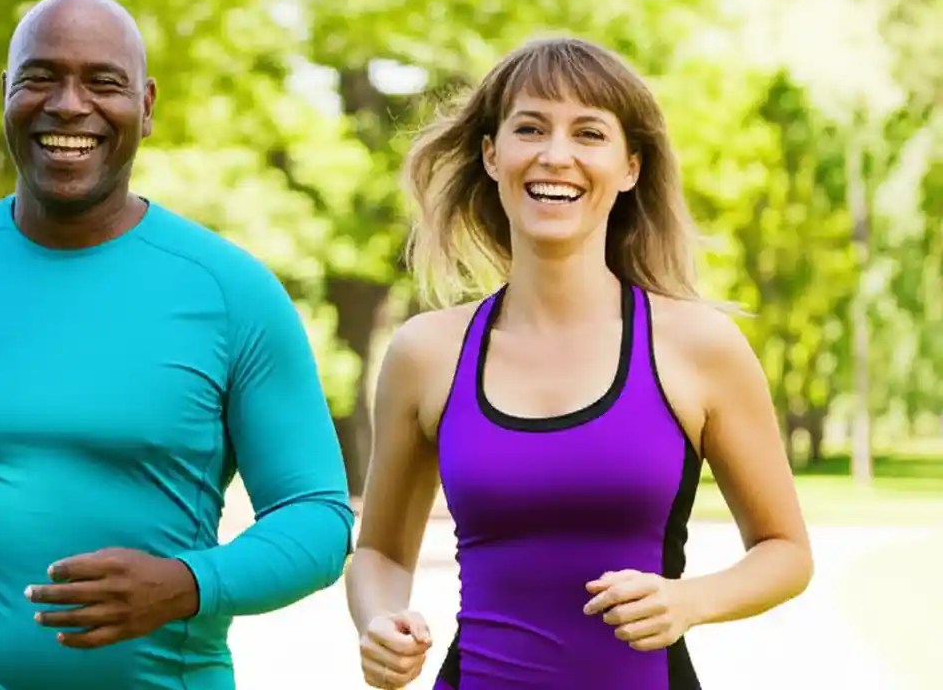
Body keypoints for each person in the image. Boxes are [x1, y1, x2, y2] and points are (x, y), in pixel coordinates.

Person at [0, 0, 353, 690]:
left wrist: (189, 583)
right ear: (5, 94)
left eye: (102, 82)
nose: (67, 104)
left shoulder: (232, 294)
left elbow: (317, 518)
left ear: (146, 108)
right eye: (40, 77)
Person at [345, 36, 813, 690]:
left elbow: (786, 552)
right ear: (491, 154)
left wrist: (691, 601)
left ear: (630, 166)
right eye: (529, 128)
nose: (555, 155)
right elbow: (381, 553)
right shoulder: (427, 353)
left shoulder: (699, 347)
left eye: (588, 133)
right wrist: (378, 622)